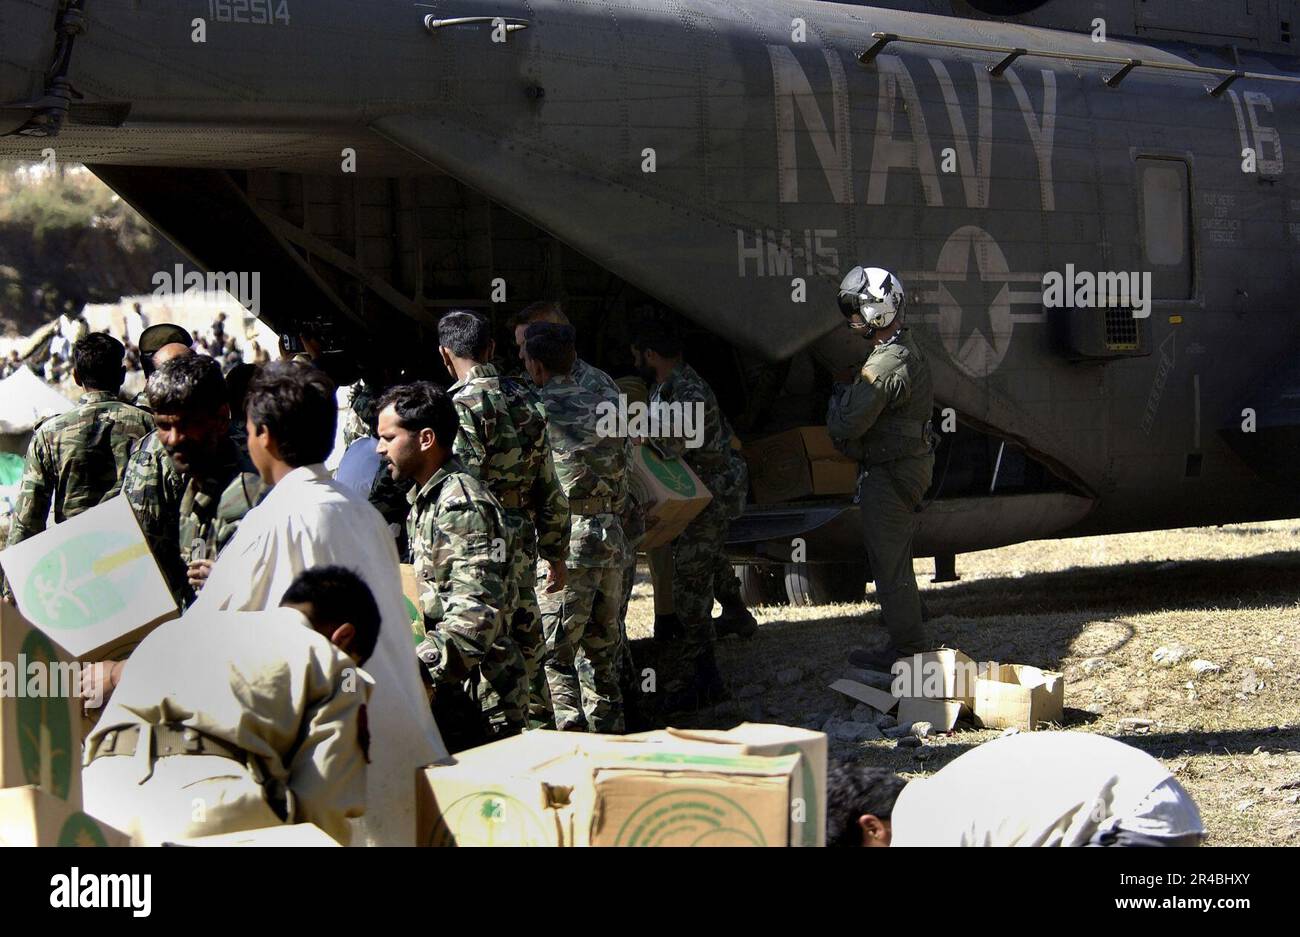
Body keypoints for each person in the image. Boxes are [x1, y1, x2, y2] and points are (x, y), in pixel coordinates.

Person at [189, 361, 445, 846]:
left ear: (261, 434)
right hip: (410, 750)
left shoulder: (270, 521)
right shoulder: (362, 513)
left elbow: (200, 638)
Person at [83, 566, 378, 846]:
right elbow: (323, 802)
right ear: (343, 636)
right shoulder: (337, 665)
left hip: (94, 800)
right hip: (203, 812)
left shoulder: (179, 628)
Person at [376, 382, 524, 750]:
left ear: (425, 439)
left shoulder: (459, 505)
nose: (380, 449)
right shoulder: (430, 497)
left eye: (389, 437)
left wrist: (414, 669)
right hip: (455, 694)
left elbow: (477, 612)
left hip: (480, 704)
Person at [439, 311, 570, 726]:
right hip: (522, 530)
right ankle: (539, 723)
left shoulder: (458, 406)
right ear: (491, 349)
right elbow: (548, 481)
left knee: (486, 637)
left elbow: (467, 487)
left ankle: (499, 731)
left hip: (482, 537)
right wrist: (556, 549)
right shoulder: (526, 397)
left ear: (445, 354)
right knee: (526, 631)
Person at [630, 319, 750, 711]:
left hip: (712, 492)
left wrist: (639, 432)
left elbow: (680, 438)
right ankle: (736, 613)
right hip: (697, 491)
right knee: (709, 559)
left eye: (638, 355)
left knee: (688, 583)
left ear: (651, 355)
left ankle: (704, 676)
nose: (635, 362)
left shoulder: (687, 389)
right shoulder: (666, 387)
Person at [826, 267, 935, 671]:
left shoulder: (885, 365)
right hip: (903, 467)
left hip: (891, 473)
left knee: (888, 561)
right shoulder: (903, 348)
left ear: (877, 313)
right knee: (896, 556)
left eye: (857, 312)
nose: (852, 321)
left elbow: (845, 425)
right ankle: (909, 621)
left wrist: (838, 397)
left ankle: (909, 648)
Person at [521, 324, 628, 732]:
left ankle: (570, 748)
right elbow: (627, 472)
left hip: (567, 544)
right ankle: (614, 743)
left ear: (537, 364)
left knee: (555, 655)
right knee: (602, 656)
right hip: (610, 538)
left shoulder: (537, 408)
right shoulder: (608, 403)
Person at [825, 732, 1207, 847]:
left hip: (1133, 823)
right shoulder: (932, 797)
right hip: (1161, 806)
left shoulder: (922, 835)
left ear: (872, 827)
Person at [122, 355, 264, 607]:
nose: (174, 438)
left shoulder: (250, 499)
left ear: (221, 419)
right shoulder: (195, 489)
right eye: (163, 426)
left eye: (186, 424)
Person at [7, 333, 152, 546]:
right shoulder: (149, 424)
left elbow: (27, 521)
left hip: (76, 556)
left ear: (75, 376)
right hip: (136, 551)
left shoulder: (49, 434)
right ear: (122, 375)